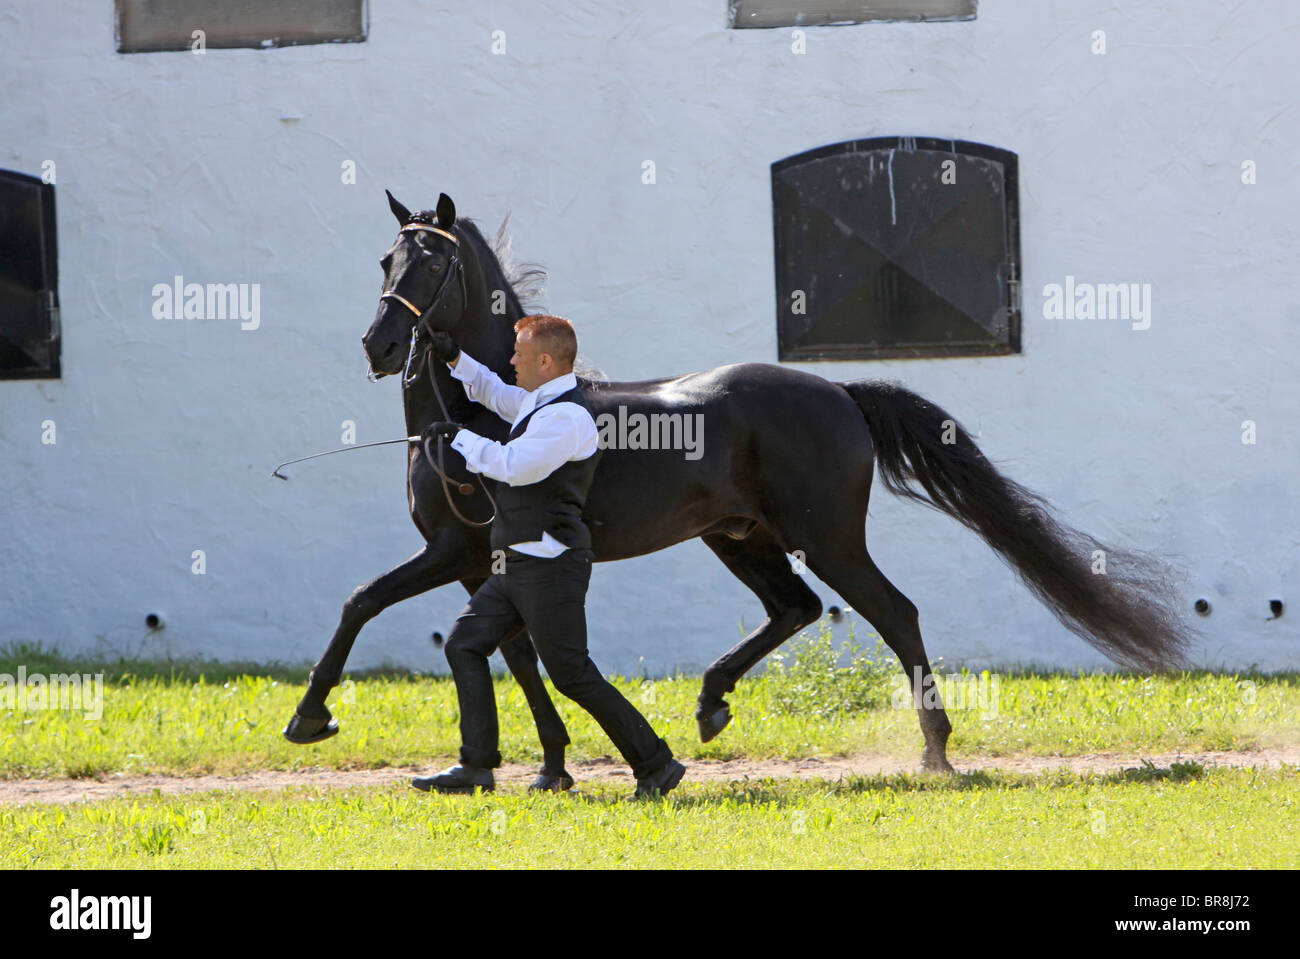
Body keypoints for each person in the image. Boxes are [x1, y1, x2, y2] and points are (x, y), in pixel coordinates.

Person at [411, 314, 686, 799]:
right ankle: (476, 767)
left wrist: (458, 437)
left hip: (549, 564)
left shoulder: (566, 417)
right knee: (464, 644)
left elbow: (513, 467)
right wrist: (455, 357)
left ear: (545, 360)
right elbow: (495, 393)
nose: (511, 359)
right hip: (517, 565)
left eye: (518, 352)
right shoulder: (540, 404)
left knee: (572, 675)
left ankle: (656, 764)